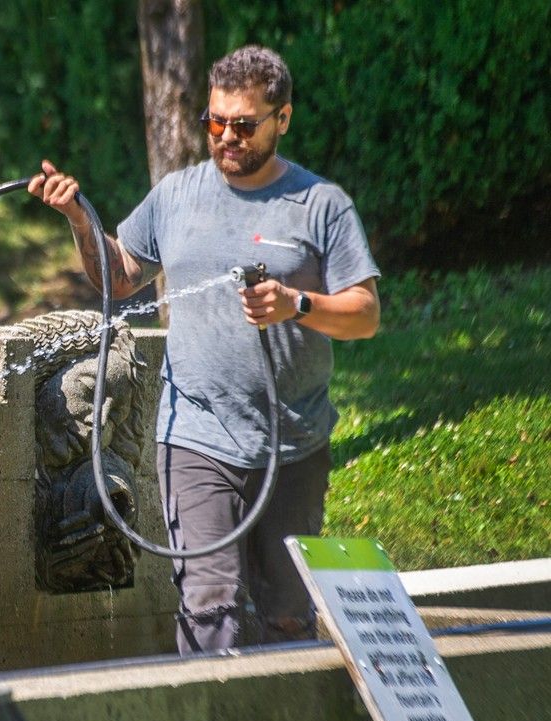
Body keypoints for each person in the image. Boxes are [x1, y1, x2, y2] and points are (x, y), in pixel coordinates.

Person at [28, 44, 381, 654]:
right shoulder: (176, 195)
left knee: (289, 619)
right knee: (209, 613)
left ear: (283, 119)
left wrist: (298, 304)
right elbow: (119, 276)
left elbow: (366, 314)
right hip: (195, 437)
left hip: (292, 443)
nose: (226, 138)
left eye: (243, 125)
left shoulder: (321, 204)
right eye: (215, 123)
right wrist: (82, 222)